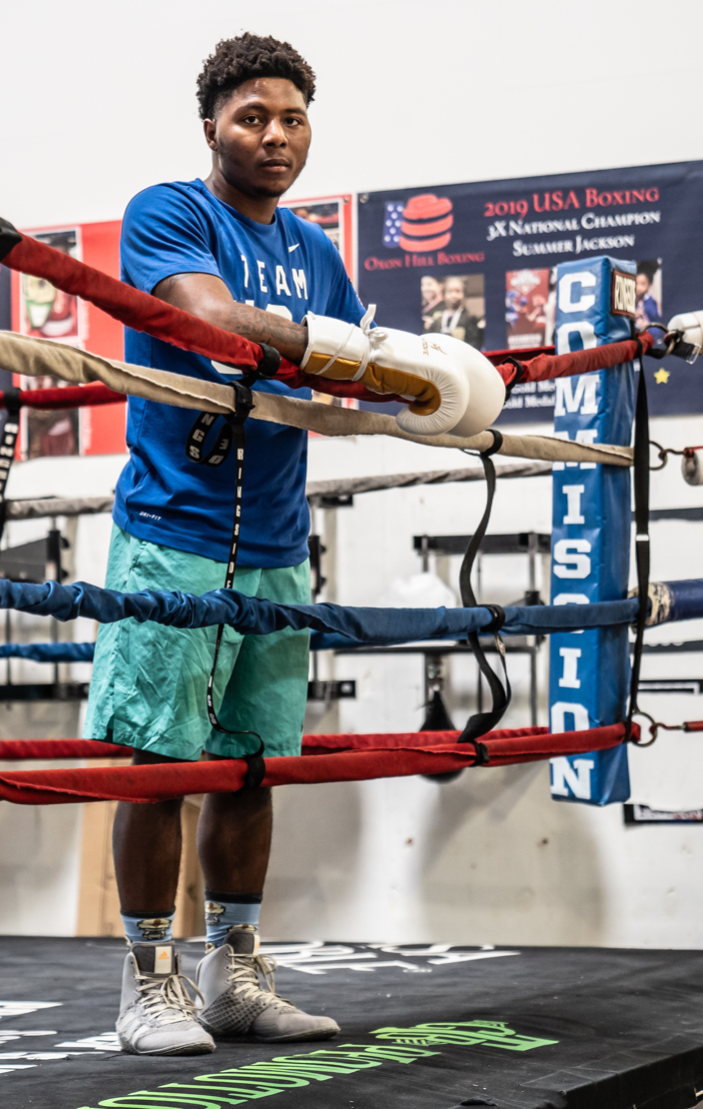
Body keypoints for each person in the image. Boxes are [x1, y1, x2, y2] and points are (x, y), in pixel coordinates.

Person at [87, 33, 488, 1058]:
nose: (275, 136)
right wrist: (335, 350)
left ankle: (233, 973)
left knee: (252, 766)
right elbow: (209, 318)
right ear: (211, 126)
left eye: (293, 119)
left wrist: (435, 377)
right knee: (160, 763)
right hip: (173, 531)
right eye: (253, 117)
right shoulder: (169, 212)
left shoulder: (317, 253)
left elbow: (364, 376)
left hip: (274, 539)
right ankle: (147, 979)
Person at [430, 275, 484, 348]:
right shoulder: (437, 320)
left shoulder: (470, 319)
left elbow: (475, 344)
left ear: (464, 294)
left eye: (458, 291)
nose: (454, 295)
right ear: (444, 294)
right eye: (450, 291)